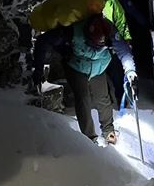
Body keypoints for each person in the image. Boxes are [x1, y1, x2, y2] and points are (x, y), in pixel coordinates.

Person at [32, 14, 137, 144]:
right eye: (95, 45)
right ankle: (89, 138)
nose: (97, 48)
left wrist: (131, 71)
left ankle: (108, 131)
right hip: (76, 66)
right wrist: (38, 68)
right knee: (83, 98)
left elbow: (124, 52)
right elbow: (43, 41)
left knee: (103, 98)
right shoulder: (71, 31)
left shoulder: (110, 30)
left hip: (99, 67)